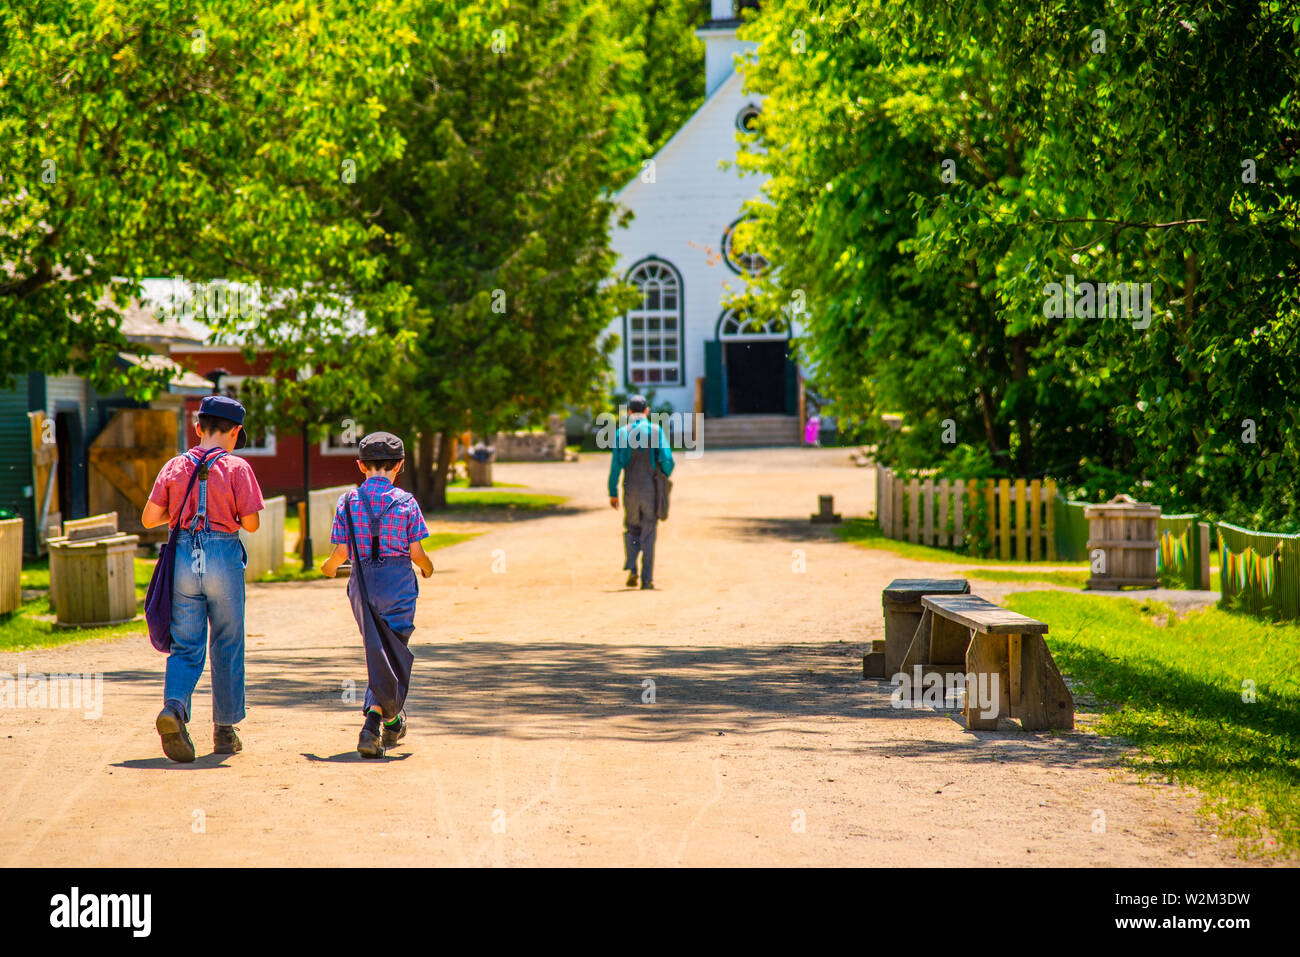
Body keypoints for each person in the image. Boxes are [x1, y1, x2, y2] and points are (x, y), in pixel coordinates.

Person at [142, 394, 265, 763]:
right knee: (227, 641)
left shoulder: (175, 466)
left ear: (198, 428)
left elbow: (149, 518)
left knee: (186, 645)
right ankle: (225, 732)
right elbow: (253, 524)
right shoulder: (238, 469)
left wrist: (183, 513)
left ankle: (175, 709)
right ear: (236, 431)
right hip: (223, 556)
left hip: (183, 558)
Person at [321, 431, 434, 758]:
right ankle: (373, 723)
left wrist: (328, 567)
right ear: (399, 466)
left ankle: (394, 720)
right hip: (397, 582)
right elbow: (416, 552)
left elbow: (341, 553)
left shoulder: (347, 501)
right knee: (392, 653)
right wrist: (428, 568)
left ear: (360, 465)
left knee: (378, 651)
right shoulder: (407, 502)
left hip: (363, 584)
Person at [607, 395, 674, 590]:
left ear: (629, 412)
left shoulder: (621, 433)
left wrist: (612, 492)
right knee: (649, 530)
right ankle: (647, 580)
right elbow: (667, 460)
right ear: (647, 411)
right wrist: (663, 475)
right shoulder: (655, 431)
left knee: (632, 528)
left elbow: (615, 466)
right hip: (650, 488)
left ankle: (633, 570)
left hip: (629, 488)